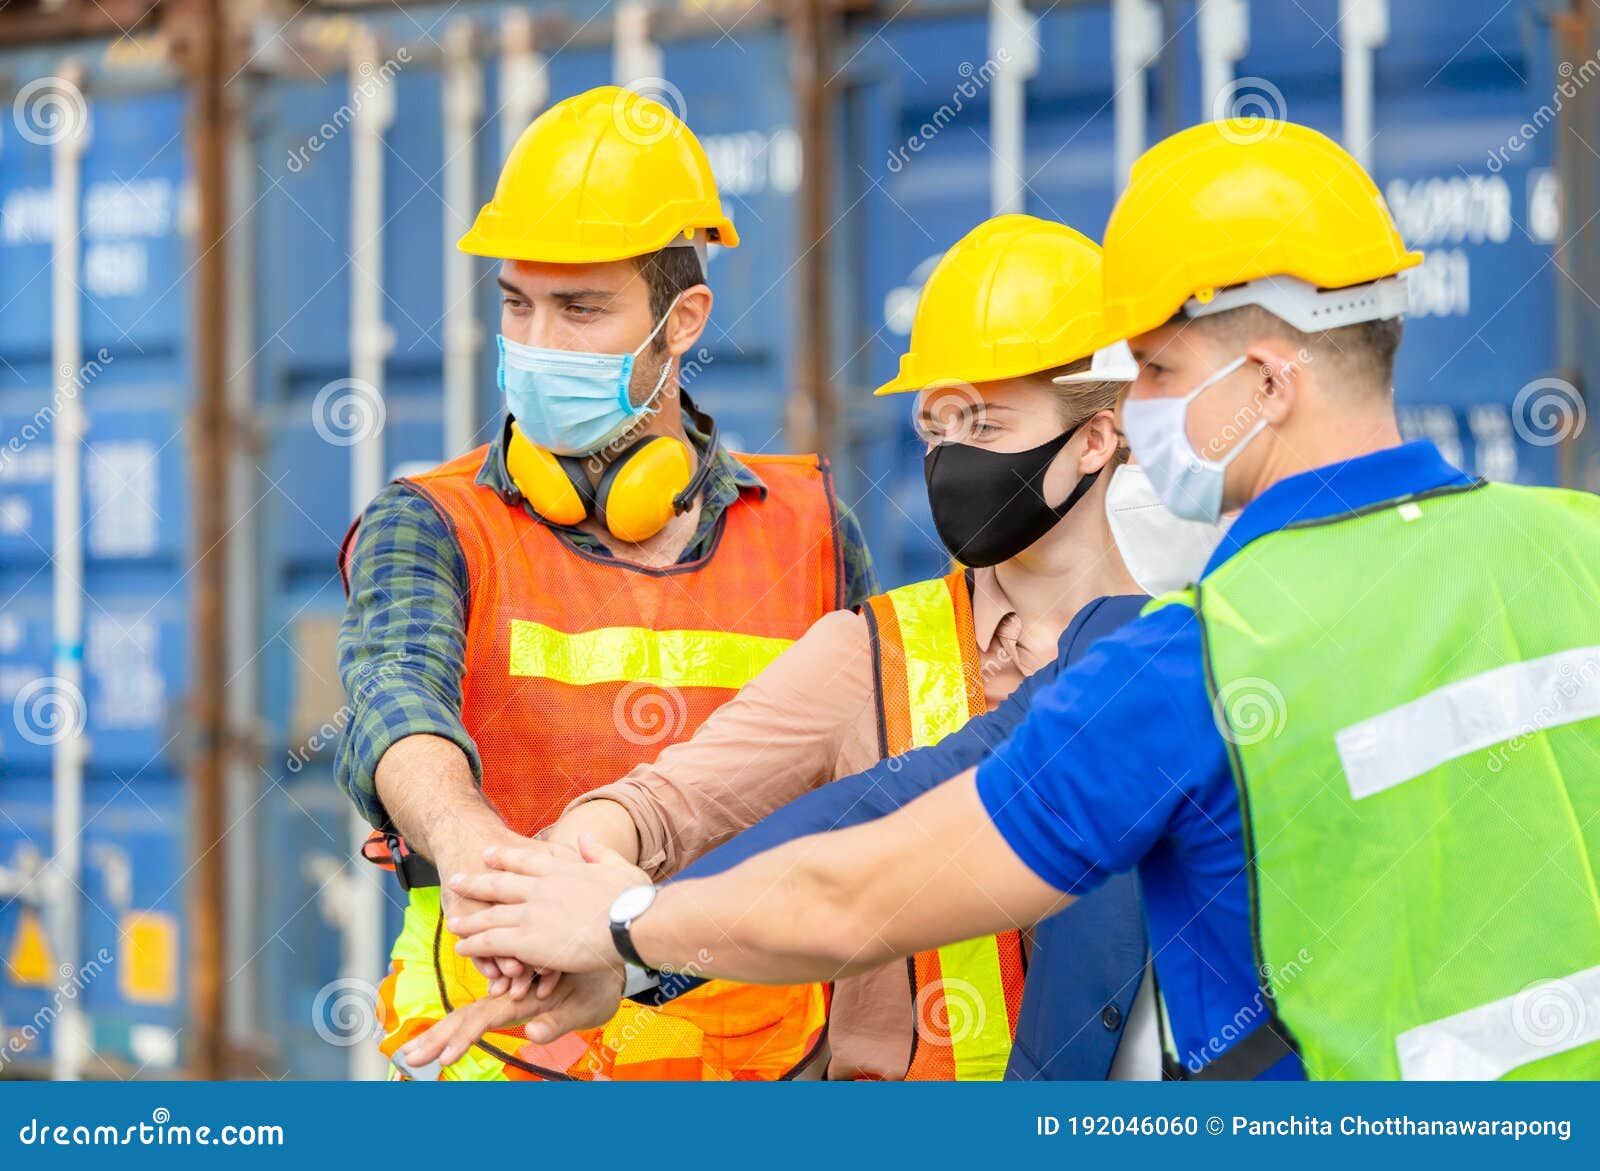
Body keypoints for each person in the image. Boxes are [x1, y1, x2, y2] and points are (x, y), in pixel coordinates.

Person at [430, 119, 1600, 1081]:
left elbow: (858, 893)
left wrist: (625, 934)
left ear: (1263, 385)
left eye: (1153, 371)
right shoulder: (1579, 549)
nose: (1133, 408)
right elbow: (895, 791)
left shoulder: (1198, 660)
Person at [404, 215, 1231, 1080]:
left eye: (983, 425)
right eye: (934, 425)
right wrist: (571, 885)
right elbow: (673, 803)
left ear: (1095, 440)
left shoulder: (1192, 654)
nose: (951, 456)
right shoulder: (867, 655)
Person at [333, 85, 877, 1082]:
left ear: (682, 321)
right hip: (504, 1048)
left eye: (579, 308)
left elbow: (872, 793)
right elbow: (391, 694)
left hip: (772, 1063)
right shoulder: (433, 521)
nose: (536, 342)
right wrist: (465, 841)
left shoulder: (809, 530)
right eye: (515, 304)